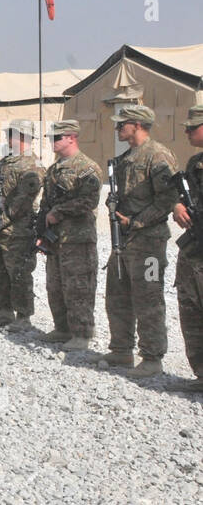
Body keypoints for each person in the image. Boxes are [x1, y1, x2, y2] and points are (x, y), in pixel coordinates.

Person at [101, 105, 178, 377]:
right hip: (124, 241)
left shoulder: (157, 156)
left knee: (148, 299)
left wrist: (136, 222)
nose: (117, 128)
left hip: (149, 244)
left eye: (122, 124)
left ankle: (152, 358)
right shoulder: (126, 158)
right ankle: (122, 349)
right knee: (117, 294)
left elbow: (168, 198)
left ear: (137, 124)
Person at [36, 120, 102, 351]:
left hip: (77, 238)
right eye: (51, 138)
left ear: (72, 137)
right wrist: (42, 232)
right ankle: (62, 328)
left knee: (78, 286)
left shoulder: (86, 167)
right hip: (55, 238)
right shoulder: (54, 169)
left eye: (57, 138)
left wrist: (59, 212)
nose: (52, 142)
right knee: (55, 285)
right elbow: (45, 204)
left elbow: (88, 201)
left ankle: (82, 334)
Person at [0, 120, 42, 331]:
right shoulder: (4, 163)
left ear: (24, 137)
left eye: (13, 134)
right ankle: (4, 311)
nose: (8, 138)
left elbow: (27, 197)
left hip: (18, 229)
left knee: (19, 273)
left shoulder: (31, 164)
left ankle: (23, 316)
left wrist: (7, 215)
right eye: (9, 134)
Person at [171, 105, 203, 391]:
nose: (186, 132)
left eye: (192, 128)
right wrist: (178, 206)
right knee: (190, 310)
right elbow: (185, 196)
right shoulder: (195, 163)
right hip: (193, 248)